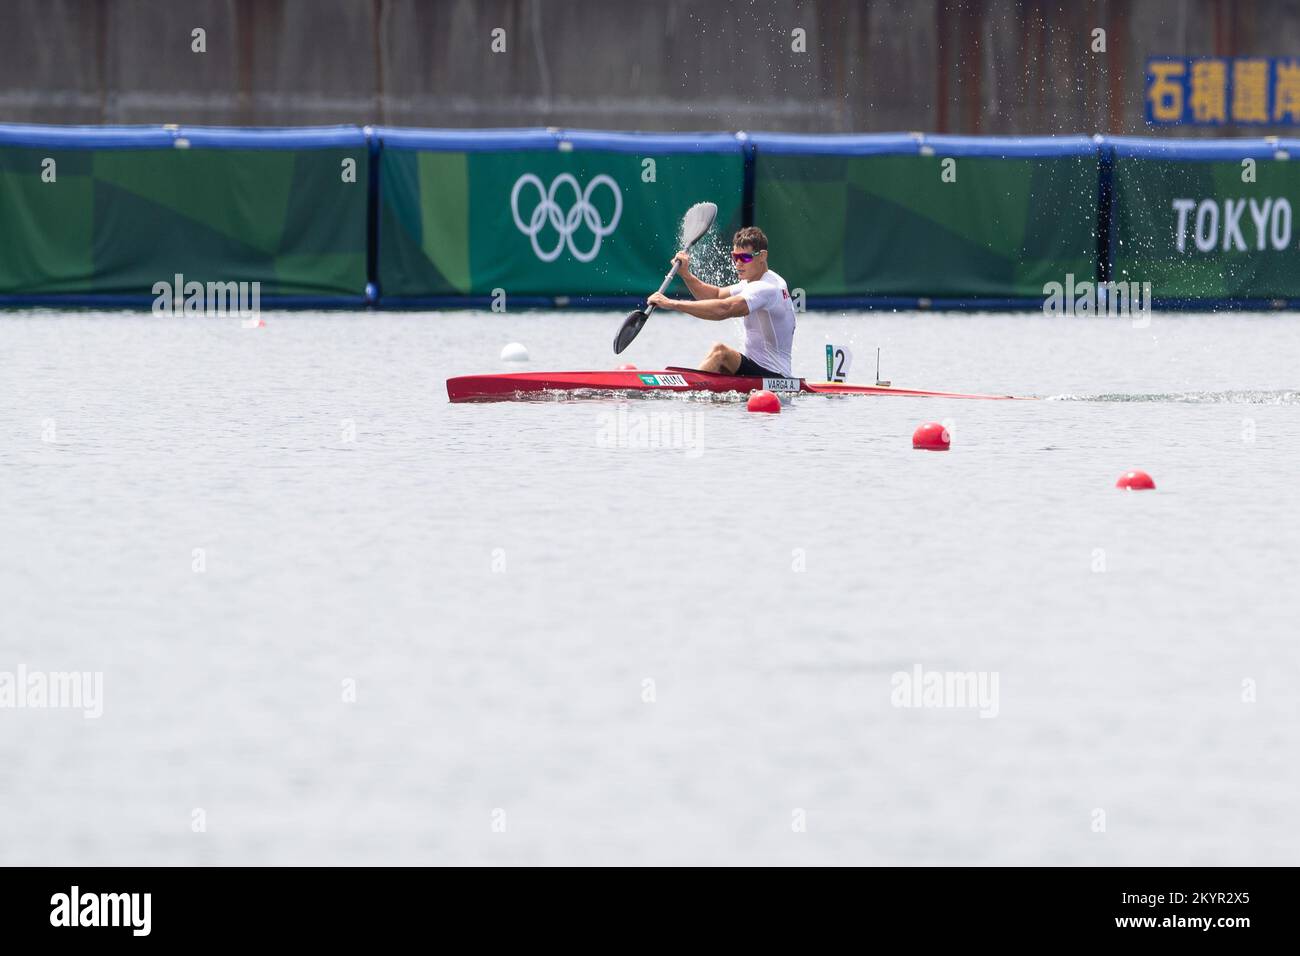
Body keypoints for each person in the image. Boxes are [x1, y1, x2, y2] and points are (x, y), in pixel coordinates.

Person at [646, 226, 796, 377]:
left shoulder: (767, 288)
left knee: (720, 352)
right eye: (735, 257)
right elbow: (716, 295)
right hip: (755, 369)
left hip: (776, 377)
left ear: (762, 256)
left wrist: (672, 304)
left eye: (745, 258)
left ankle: (689, 388)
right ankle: (695, 388)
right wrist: (686, 275)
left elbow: (725, 308)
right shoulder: (752, 282)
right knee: (720, 364)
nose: (738, 264)